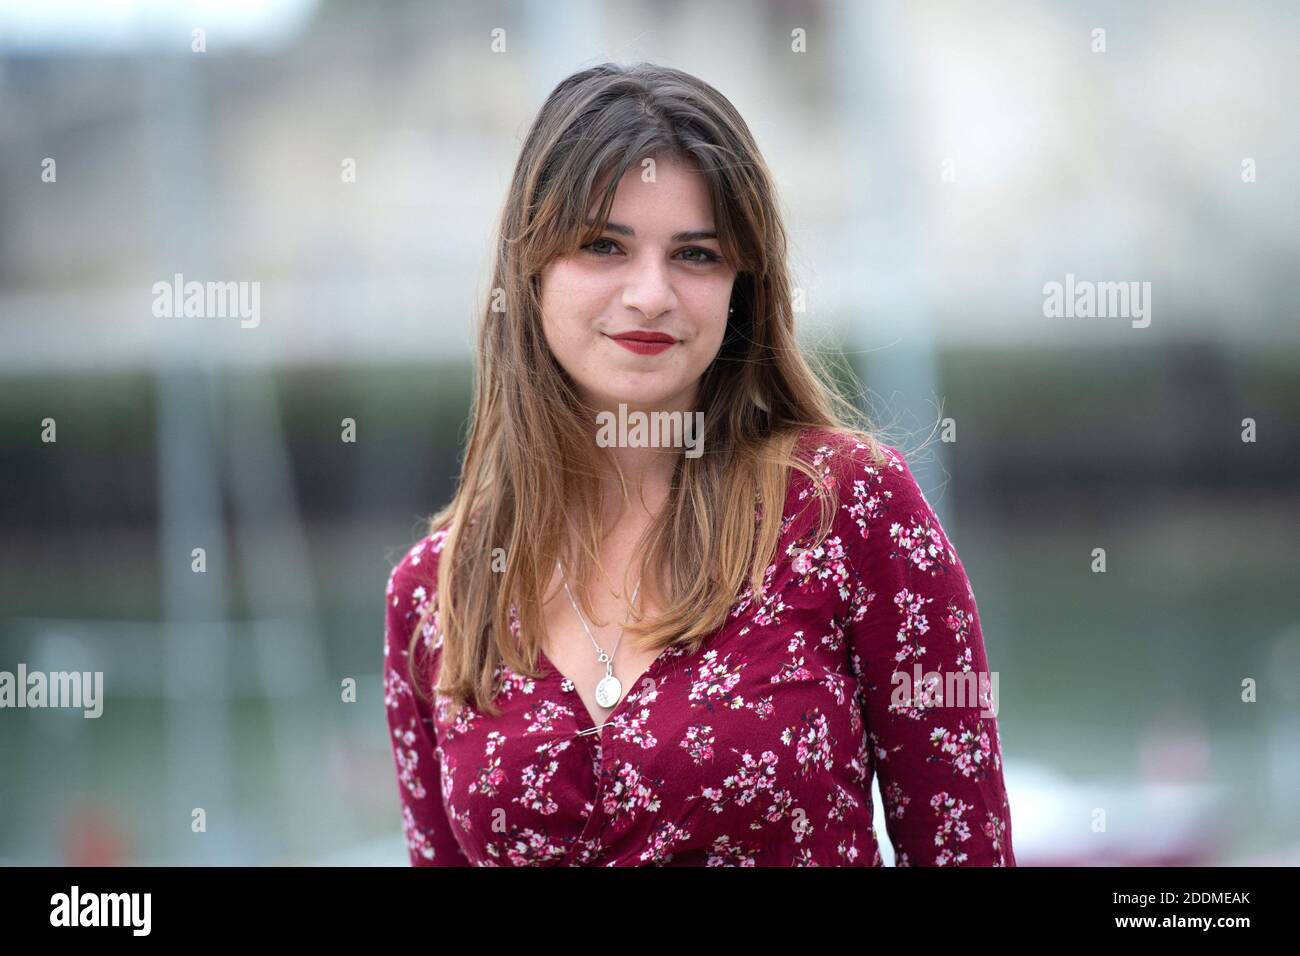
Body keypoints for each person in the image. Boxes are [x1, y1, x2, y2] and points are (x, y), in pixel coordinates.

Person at [383, 61, 1015, 866]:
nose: (650, 294)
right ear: (530, 268)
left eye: (696, 255)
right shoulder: (436, 592)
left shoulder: (846, 510)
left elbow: (965, 847)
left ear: (739, 288)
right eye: (604, 246)